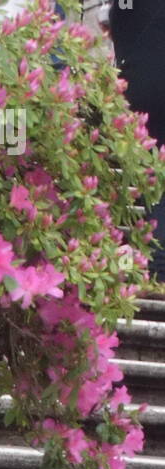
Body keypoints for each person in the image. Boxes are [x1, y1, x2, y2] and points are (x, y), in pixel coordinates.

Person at [107, 0, 165, 280]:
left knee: (145, 180)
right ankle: (154, 269)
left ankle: (141, 268)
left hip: (139, 87)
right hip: (149, 84)